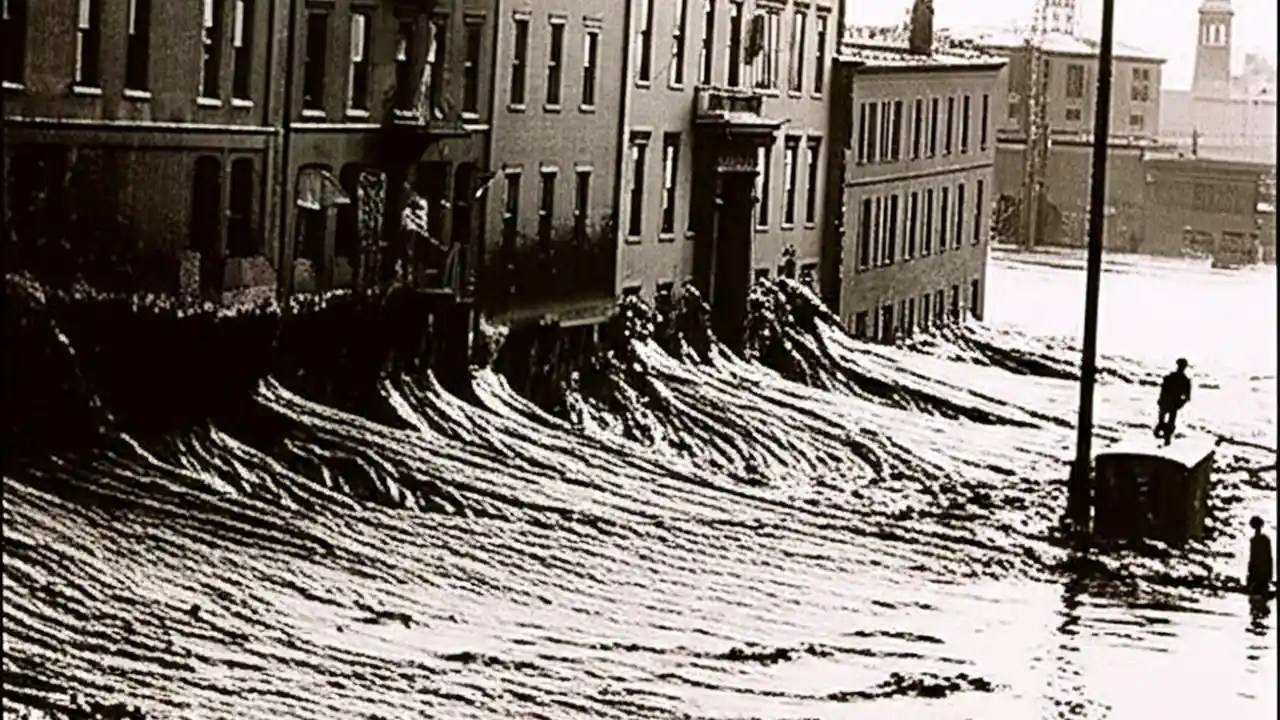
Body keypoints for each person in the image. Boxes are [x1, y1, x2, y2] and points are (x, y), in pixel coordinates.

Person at [1154, 358, 1191, 446]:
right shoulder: (1173, 378)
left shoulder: (1183, 380)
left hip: (1172, 403)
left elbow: (1187, 397)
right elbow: (1163, 389)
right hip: (1167, 402)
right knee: (1162, 420)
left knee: (1168, 421)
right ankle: (1163, 435)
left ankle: (1166, 438)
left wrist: (1180, 403)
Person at [1247, 516, 1274, 596]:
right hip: (1261, 572)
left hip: (1258, 572)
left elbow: (1252, 558)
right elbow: (1269, 558)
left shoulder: (1255, 540)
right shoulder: (1264, 540)